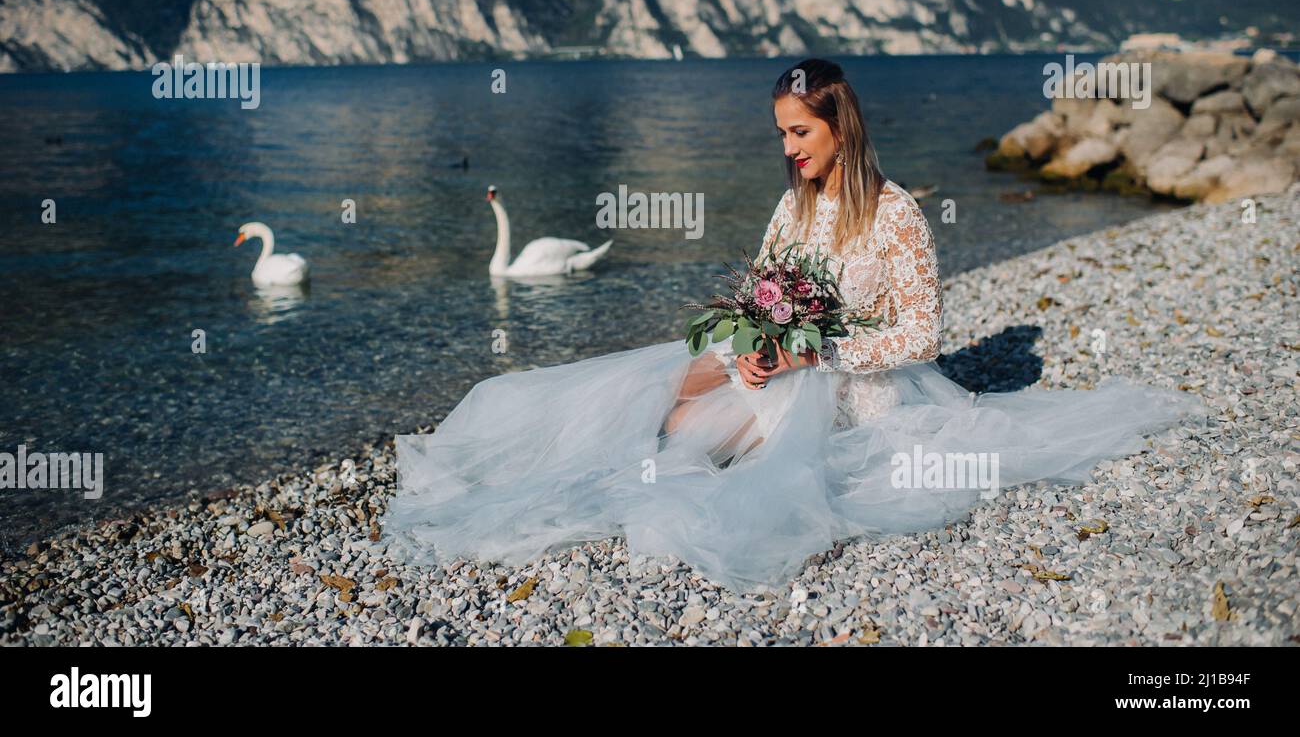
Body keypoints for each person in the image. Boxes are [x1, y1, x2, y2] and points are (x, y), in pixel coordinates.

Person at [376, 59, 1210, 594]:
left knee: (728, 440)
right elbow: (756, 290)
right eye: (780, 133)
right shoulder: (790, 203)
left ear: (839, 125)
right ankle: (605, 471)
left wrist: (824, 347)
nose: (788, 148)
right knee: (679, 388)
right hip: (789, 360)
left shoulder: (896, 213)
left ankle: (661, 483)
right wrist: (758, 342)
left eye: (799, 131)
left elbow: (921, 331)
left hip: (859, 383)